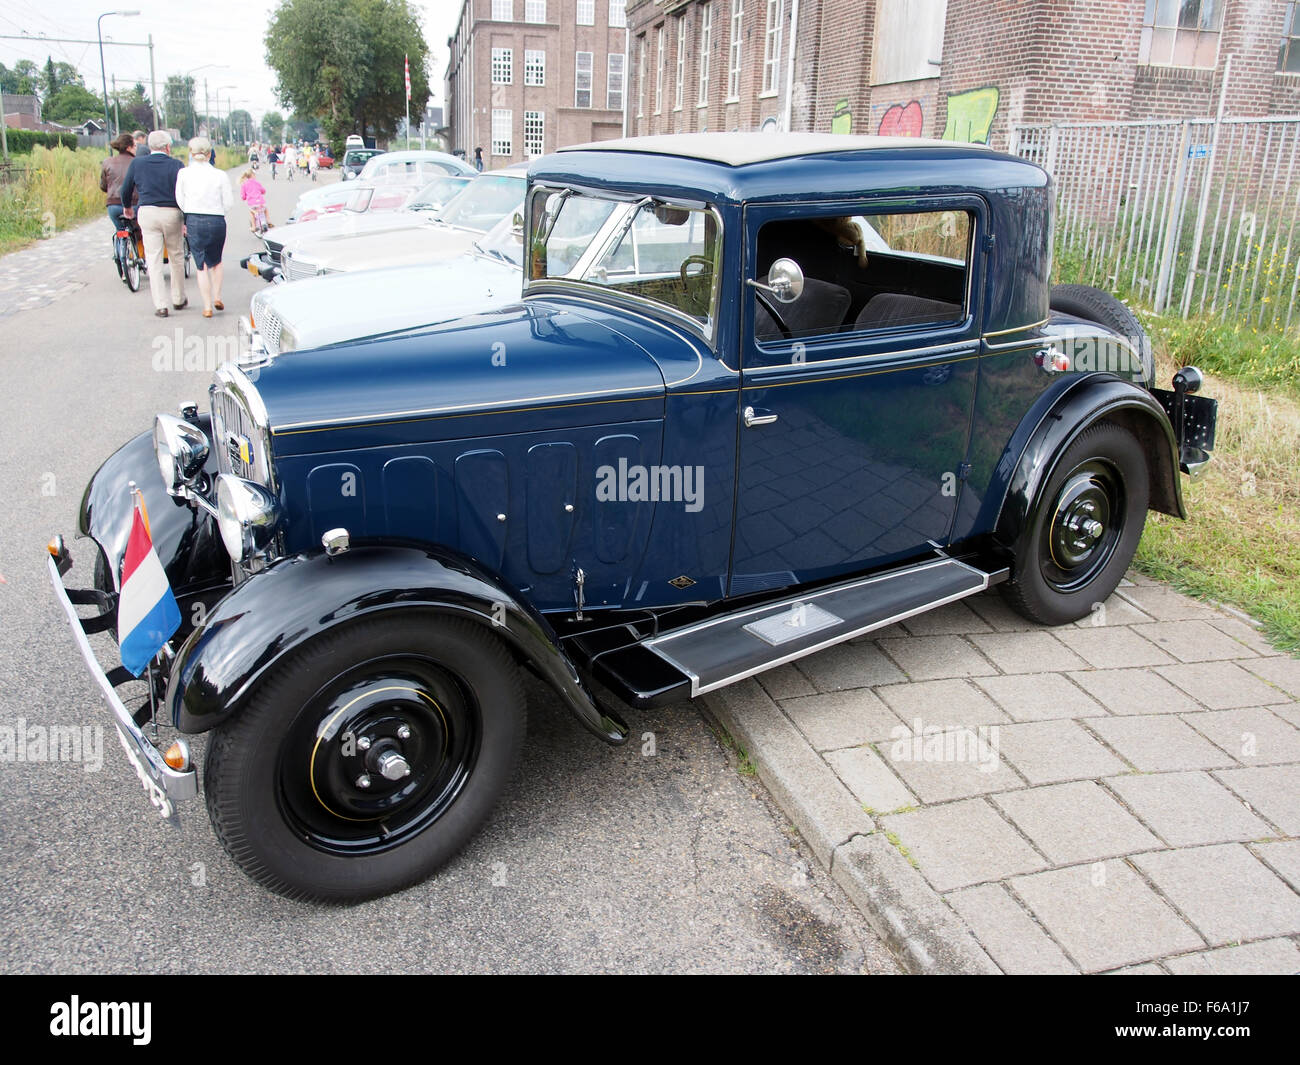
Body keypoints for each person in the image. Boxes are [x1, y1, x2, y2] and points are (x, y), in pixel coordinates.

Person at [120, 130, 187, 317]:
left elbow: (125, 189)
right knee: (176, 256)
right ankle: (178, 298)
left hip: (147, 212)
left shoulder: (137, 163)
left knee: (153, 258)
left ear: (149, 147)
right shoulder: (177, 165)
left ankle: (161, 305)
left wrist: (127, 208)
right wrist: (186, 219)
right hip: (172, 213)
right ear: (168, 147)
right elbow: (184, 194)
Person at [175, 136, 232, 318]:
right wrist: (218, 210)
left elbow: (180, 199)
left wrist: (190, 211)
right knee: (216, 261)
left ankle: (207, 306)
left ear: (191, 153)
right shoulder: (220, 175)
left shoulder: (183, 174)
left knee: (201, 265)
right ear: (209, 153)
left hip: (194, 219)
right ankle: (217, 296)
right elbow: (229, 202)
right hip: (216, 219)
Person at [100, 132, 136, 236]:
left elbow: (103, 186)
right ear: (129, 148)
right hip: (133, 205)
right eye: (135, 146)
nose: (136, 149)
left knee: (120, 230)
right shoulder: (136, 162)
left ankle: (120, 248)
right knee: (137, 233)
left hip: (113, 205)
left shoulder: (107, 162)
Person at [240, 168, 269, 233]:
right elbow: (263, 191)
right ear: (252, 175)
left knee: (252, 213)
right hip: (261, 202)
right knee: (265, 210)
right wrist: (262, 192)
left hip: (252, 204)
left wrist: (244, 198)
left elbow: (243, 196)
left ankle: (253, 227)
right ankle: (268, 221)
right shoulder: (257, 183)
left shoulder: (244, 184)